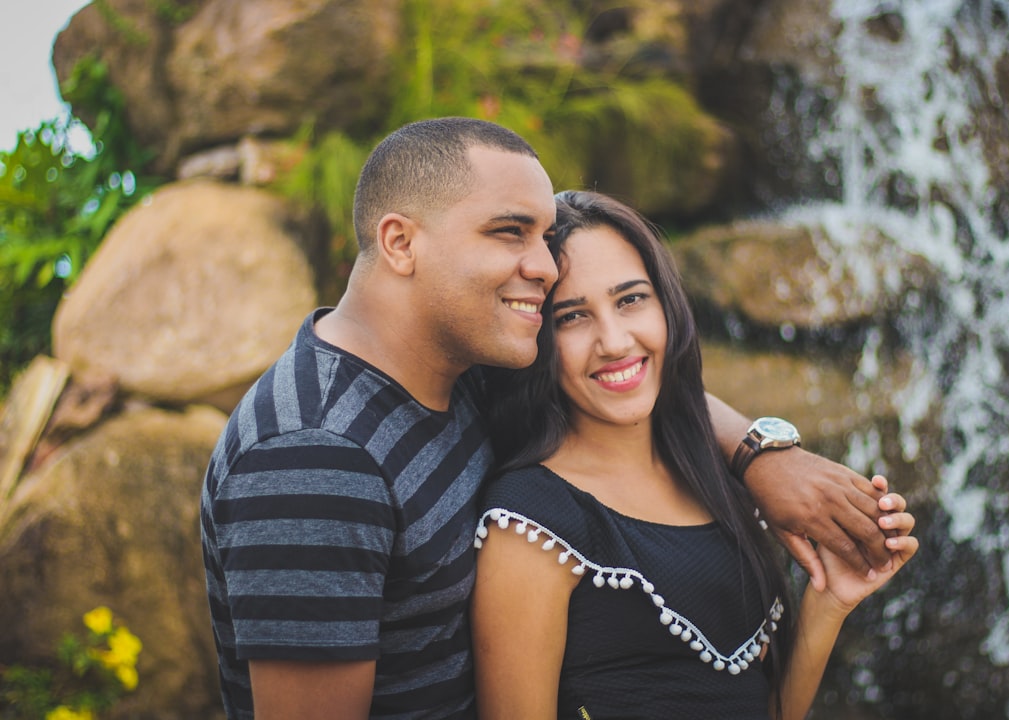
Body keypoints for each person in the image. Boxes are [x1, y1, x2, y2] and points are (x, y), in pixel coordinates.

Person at [201, 118, 900, 720]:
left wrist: (763, 456)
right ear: (400, 243)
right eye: (511, 232)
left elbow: (637, 380)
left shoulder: (456, 367)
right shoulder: (315, 458)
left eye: (541, 235)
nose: (542, 263)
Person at [471, 190, 918, 719]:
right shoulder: (528, 522)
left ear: (668, 303)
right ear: (539, 336)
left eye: (631, 299)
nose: (614, 341)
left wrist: (831, 602)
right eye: (571, 317)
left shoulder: (717, 477)